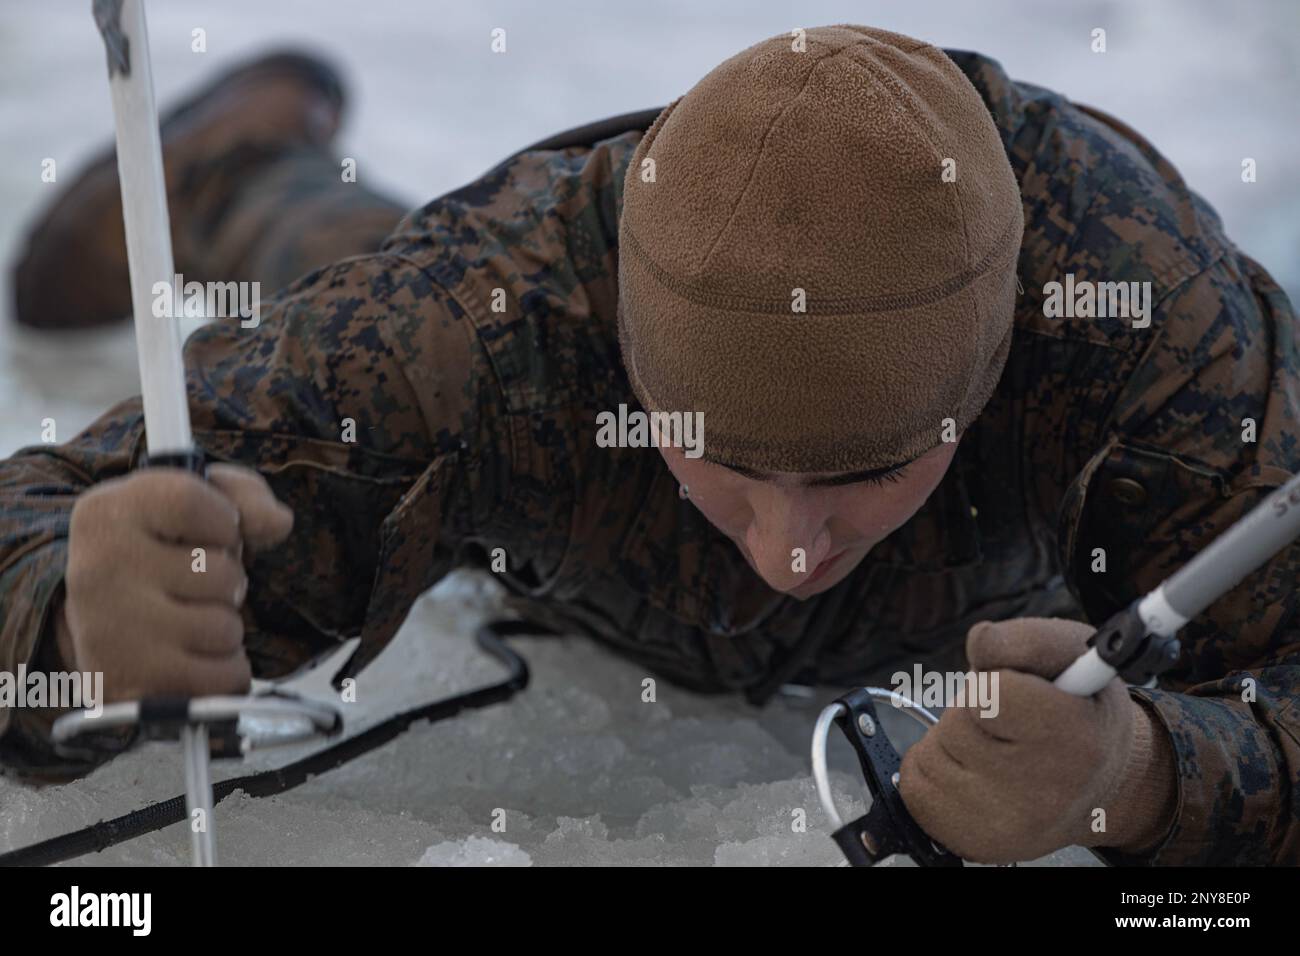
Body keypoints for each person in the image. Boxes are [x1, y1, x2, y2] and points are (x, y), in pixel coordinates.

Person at [2, 25, 1296, 865]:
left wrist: (1142, 773)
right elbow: (35, 523)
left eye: (869, 471)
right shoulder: (482, 322)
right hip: (512, 434)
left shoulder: (1148, 318)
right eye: (723, 462)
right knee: (341, 282)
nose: (793, 554)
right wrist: (72, 627)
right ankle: (234, 171)